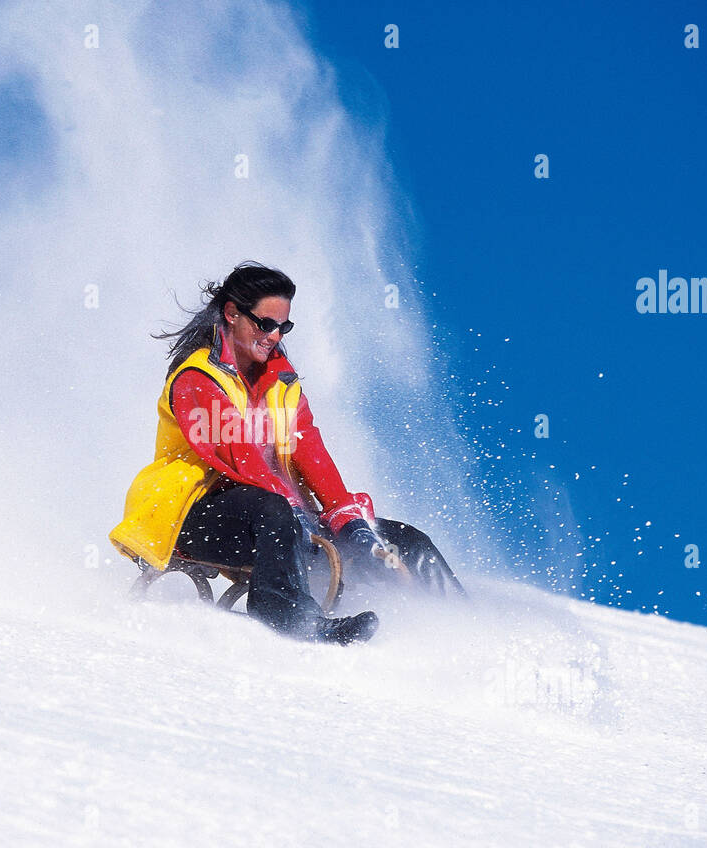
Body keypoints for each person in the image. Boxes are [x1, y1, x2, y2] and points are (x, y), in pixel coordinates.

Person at [109, 262, 463, 645]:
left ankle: (460, 624)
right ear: (231, 313)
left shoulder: (281, 381)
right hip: (194, 515)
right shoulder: (198, 378)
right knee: (274, 511)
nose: (274, 336)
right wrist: (298, 515)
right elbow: (238, 456)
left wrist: (350, 522)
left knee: (404, 539)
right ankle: (290, 614)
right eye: (265, 324)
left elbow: (309, 449)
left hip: (273, 510)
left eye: (284, 327)